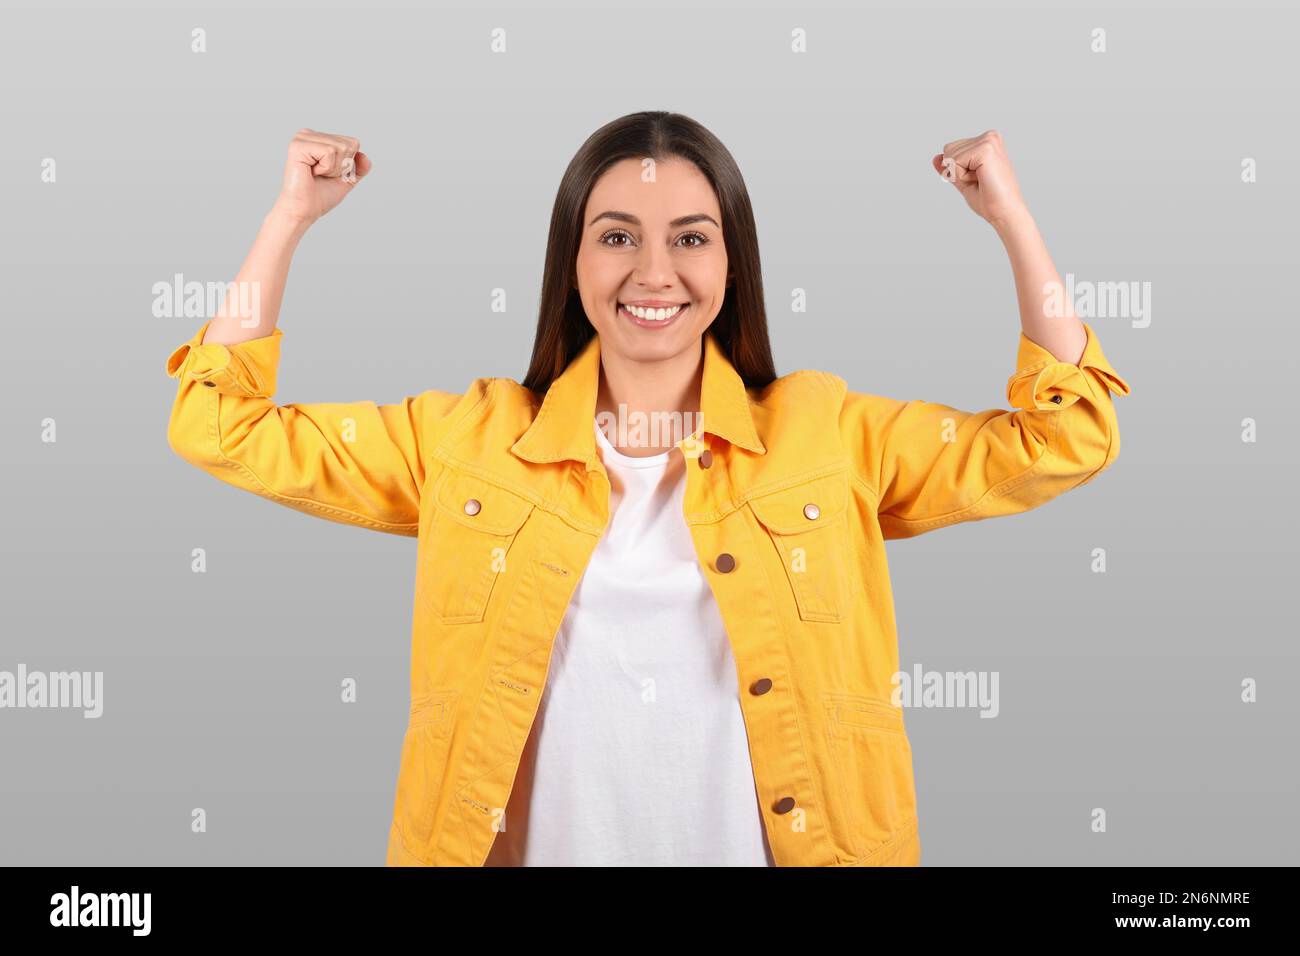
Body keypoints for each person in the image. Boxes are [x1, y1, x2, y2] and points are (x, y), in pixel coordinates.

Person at [165, 112, 1130, 866]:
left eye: (692, 238)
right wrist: (287, 217)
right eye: (617, 236)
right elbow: (220, 425)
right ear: (574, 261)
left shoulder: (826, 434)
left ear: (731, 261)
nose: (655, 272)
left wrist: (1012, 217)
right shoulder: (468, 442)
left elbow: (1066, 433)